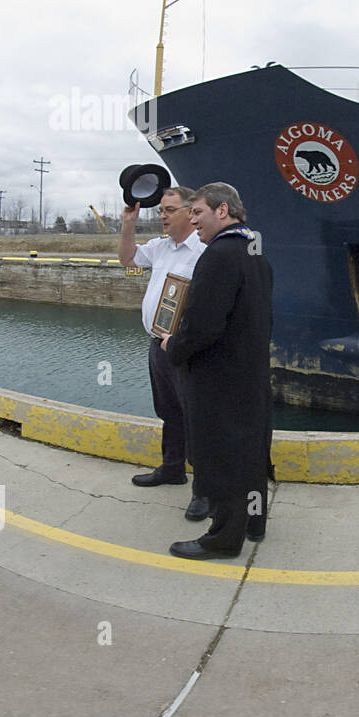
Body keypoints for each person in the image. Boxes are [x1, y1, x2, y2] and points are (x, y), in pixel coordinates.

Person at [160, 183, 274, 561]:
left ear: (222, 211)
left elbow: (203, 325)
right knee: (251, 452)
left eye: (197, 213)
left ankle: (223, 539)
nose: (192, 222)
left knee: (221, 456)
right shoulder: (255, 252)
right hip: (250, 375)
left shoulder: (219, 255)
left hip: (218, 378)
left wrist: (173, 347)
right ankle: (254, 522)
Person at [115, 186, 207, 516]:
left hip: (186, 348)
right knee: (169, 410)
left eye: (169, 210)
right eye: (161, 210)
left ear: (189, 212)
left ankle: (205, 490)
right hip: (158, 345)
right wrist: (129, 223)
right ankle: (172, 468)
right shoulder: (160, 247)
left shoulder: (203, 249)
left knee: (196, 416)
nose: (162, 215)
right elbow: (127, 260)